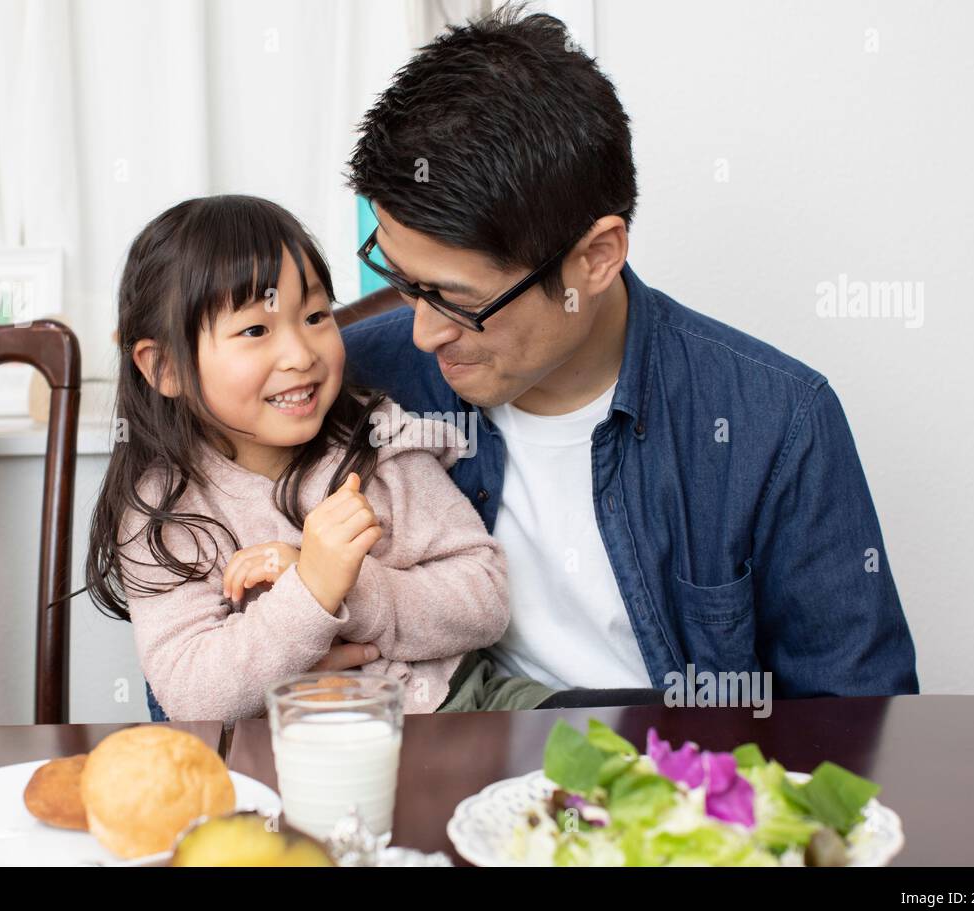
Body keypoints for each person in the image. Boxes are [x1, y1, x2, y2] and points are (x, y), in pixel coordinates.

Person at [341, 8, 919, 699]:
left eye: (458, 299)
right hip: (436, 781)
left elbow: (858, 723)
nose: (423, 334)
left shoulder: (776, 424)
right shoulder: (353, 381)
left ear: (596, 258)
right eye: (403, 281)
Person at [82, 195, 613, 722]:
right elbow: (193, 696)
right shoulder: (162, 510)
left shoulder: (378, 440)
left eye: (315, 316)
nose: (301, 354)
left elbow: (484, 601)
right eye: (255, 330)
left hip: (462, 705)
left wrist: (353, 588)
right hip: (292, 750)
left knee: (624, 740)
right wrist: (311, 589)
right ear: (165, 367)